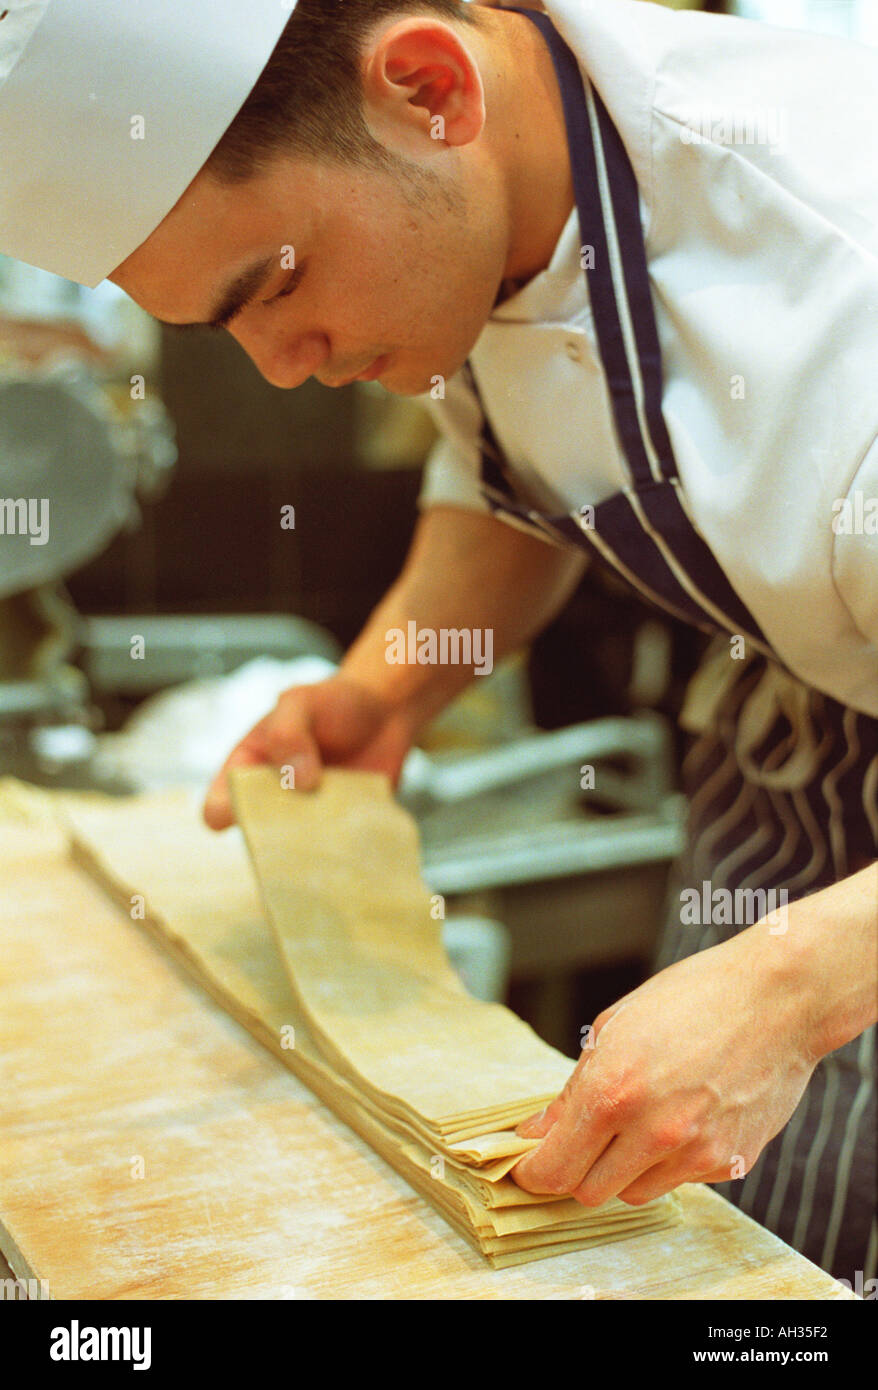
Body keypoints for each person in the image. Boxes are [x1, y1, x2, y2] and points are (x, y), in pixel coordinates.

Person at [5, 0, 874, 1282]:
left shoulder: (833, 271)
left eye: (281, 288)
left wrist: (787, 990)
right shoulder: (489, 190)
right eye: (223, 327)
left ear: (426, 88)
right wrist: (385, 692)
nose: (285, 369)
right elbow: (538, 464)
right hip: (794, 757)